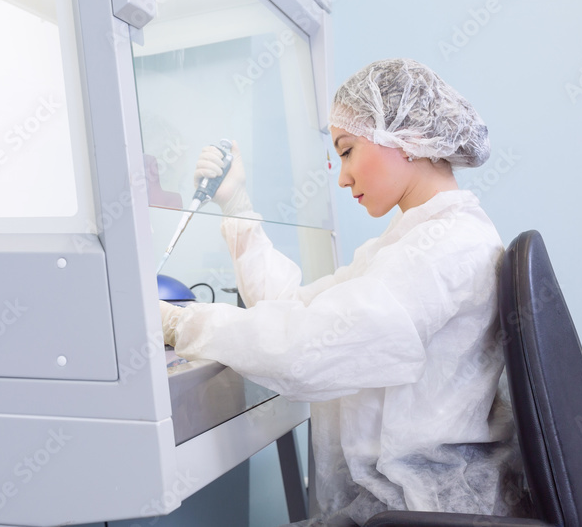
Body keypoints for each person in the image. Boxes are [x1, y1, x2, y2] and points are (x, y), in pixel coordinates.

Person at [160, 59, 527, 526]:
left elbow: (303, 351)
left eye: (348, 150)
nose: (342, 176)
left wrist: (177, 321)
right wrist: (236, 204)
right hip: (397, 506)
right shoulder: (415, 241)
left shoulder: (444, 250)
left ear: (408, 138)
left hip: (419, 511)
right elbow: (296, 309)